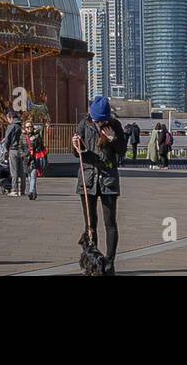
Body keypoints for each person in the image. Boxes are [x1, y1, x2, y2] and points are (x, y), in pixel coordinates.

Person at [73, 96, 128, 274]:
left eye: (103, 119)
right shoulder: (84, 124)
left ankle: (110, 261)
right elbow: (76, 153)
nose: (100, 123)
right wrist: (76, 146)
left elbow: (122, 151)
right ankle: (92, 260)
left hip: (108, 179)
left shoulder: (115, 126)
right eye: (97, 119)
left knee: (110, 222)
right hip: (88, 177)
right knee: (90, 222)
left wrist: (113, 139)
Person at [4, 111, 27, 196]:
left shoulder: (11, 126)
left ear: (11, 117)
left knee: (14, 171)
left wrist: (6, 149)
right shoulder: (21, 126)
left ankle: (14, 190)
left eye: (8, 119)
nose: (8, 121)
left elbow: (7, 139)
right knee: (22, 171)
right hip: (21, 150)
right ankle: (23, 190)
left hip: (13, 150)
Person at [25, 122, 46, 200]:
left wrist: (35, 139)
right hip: (26, 159)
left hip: (35, 158)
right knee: (29, 177)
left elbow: (40, 146)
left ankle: (31, 192)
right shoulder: (23, 137)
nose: (29, 128)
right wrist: (24, 154)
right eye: (27, 127)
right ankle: (34, 192)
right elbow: (21, 147)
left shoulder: (37, 136)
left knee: (33, 176)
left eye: (30, 127)